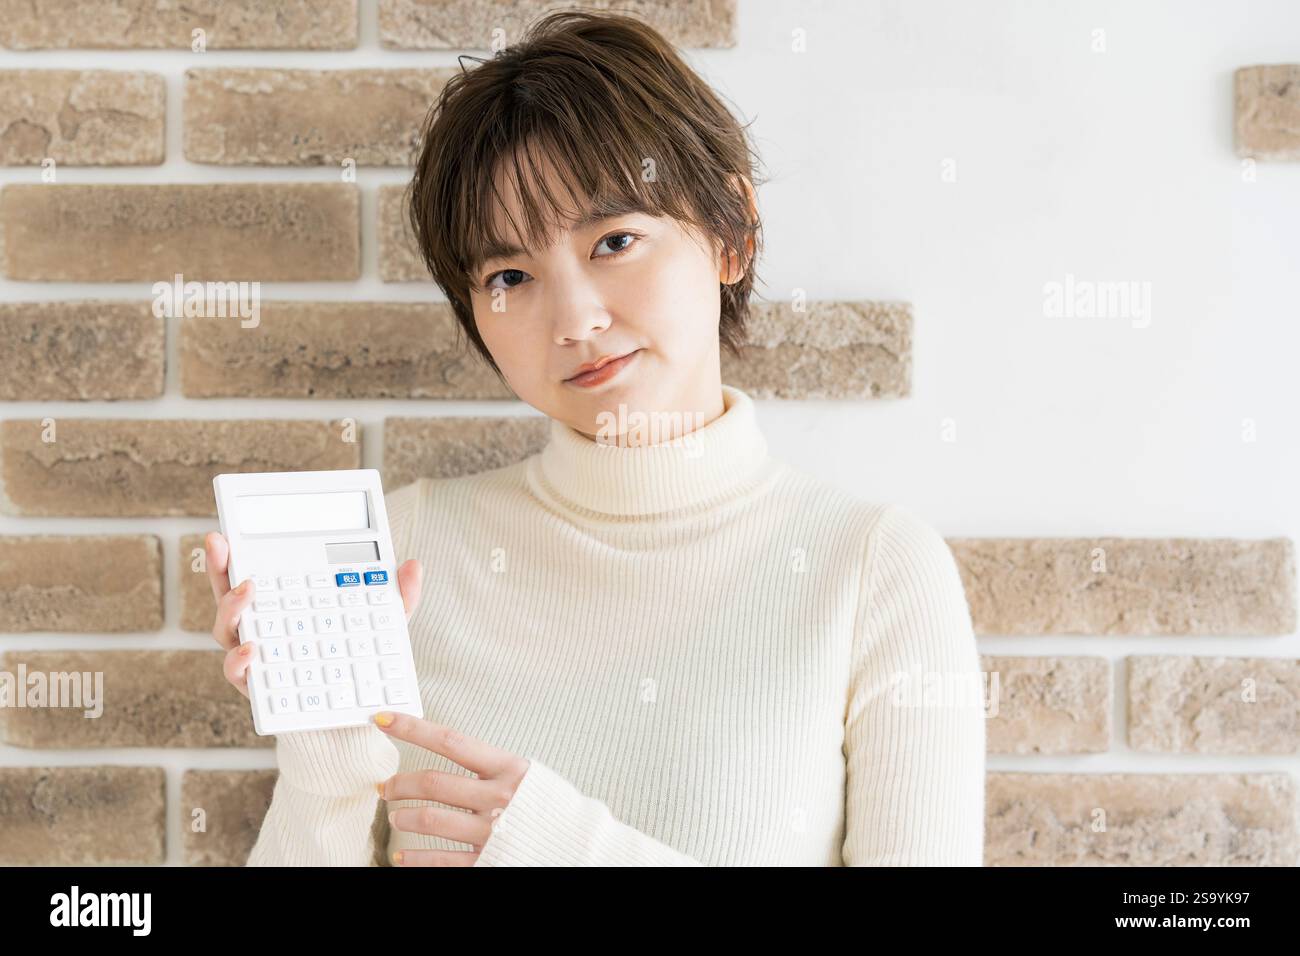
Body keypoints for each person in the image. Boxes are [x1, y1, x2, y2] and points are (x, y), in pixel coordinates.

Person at [205, 10, 986, 866]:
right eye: (510, 275)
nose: (575, 318)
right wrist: (324, 762)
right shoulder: (405, 552)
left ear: (732, 232)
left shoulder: (872, 568)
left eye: (615, 241)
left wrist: (560, 846)